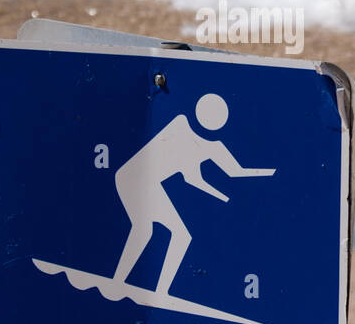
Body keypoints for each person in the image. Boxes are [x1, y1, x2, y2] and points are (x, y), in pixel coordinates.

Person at [111, 93, 274, 295]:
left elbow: (235, 172)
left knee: (176, 235)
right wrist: (220, 195)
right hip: (132, 177)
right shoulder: (181, 127)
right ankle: (124, 284)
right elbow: (192, 178)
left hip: (149, 183)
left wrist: (270, 172)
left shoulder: (213, 147)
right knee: (148, 230)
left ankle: (158, 292)